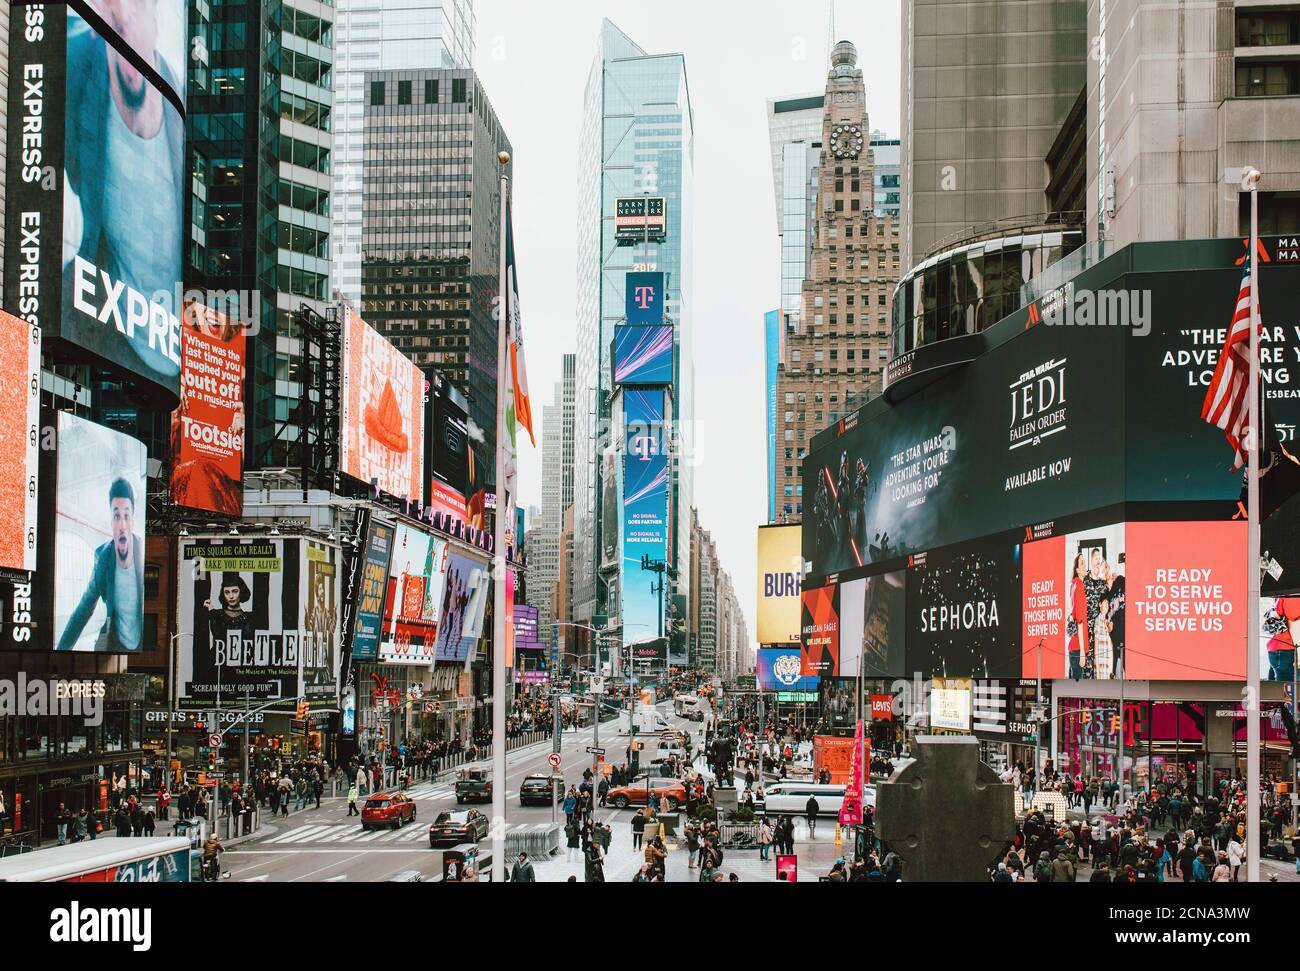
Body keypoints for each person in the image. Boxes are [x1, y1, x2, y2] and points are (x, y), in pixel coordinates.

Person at [63, 0, 185, 385]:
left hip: (178, 363)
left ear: (156, 20)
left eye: (137, 16)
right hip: (107, 337)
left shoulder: (183, 112)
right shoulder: (75, 68)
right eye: (116, 26)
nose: (127, 32)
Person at [55, 479, 145, 651]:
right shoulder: (103, 558)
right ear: (111, 522)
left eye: (126, 516)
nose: (122, 525)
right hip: (114, 643)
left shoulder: (142, 552)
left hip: (140, 643)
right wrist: (60, 651)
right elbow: (83, 611)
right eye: (117, 516)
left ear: (132, 520)